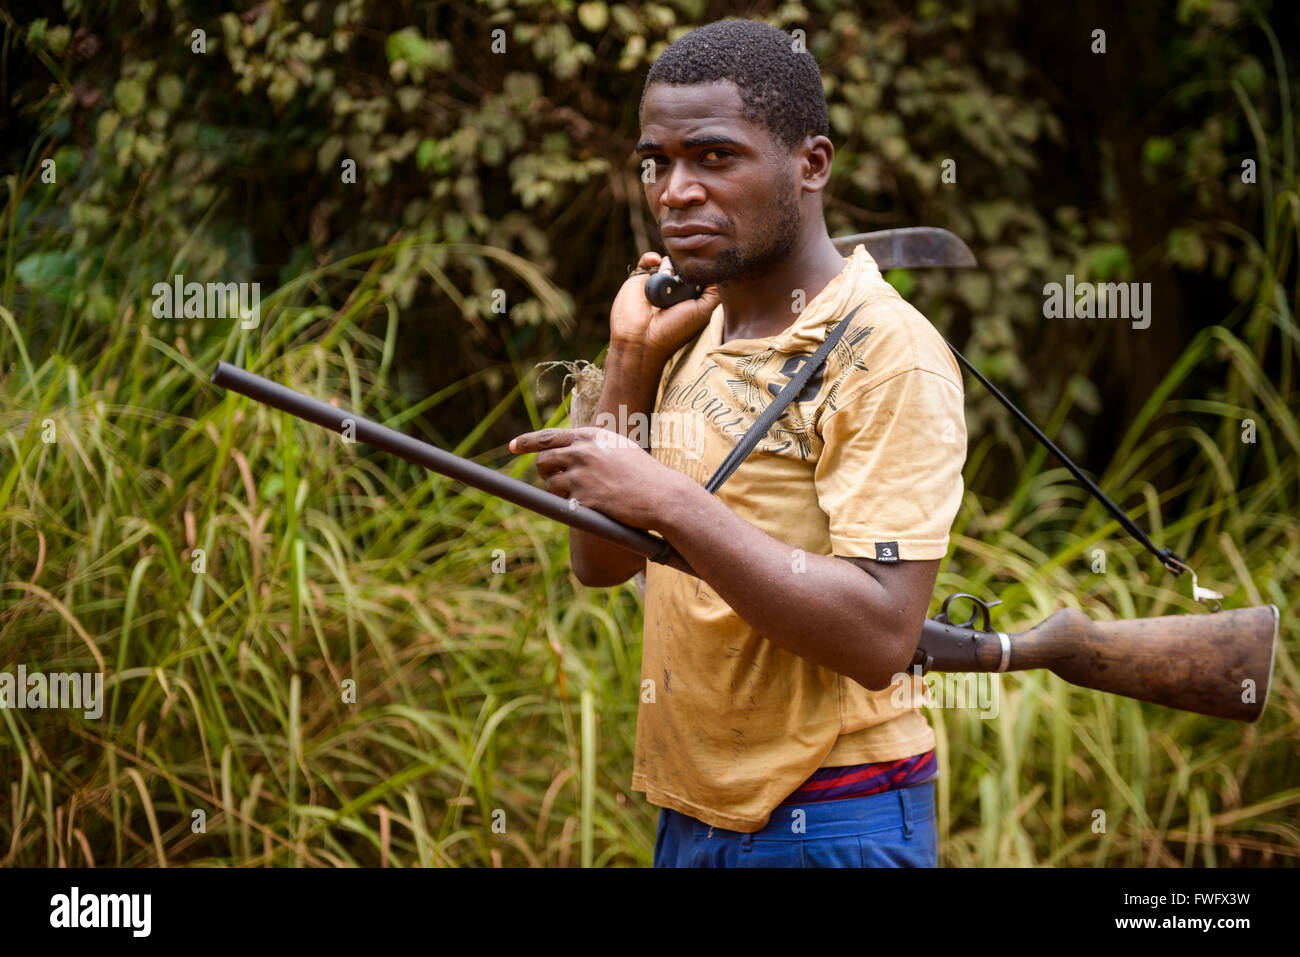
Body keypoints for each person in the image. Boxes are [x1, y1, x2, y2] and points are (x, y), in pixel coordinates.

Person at [509, 18, 966, 867]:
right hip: (692, 809)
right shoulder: (684, 325)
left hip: (836, 814)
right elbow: (600, 564)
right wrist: (630, 358)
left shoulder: (885, 352)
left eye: (714, 157)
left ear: (811, 164)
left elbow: (880, 638)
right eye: (659, 162)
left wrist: (669, 499)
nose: (677, 189)